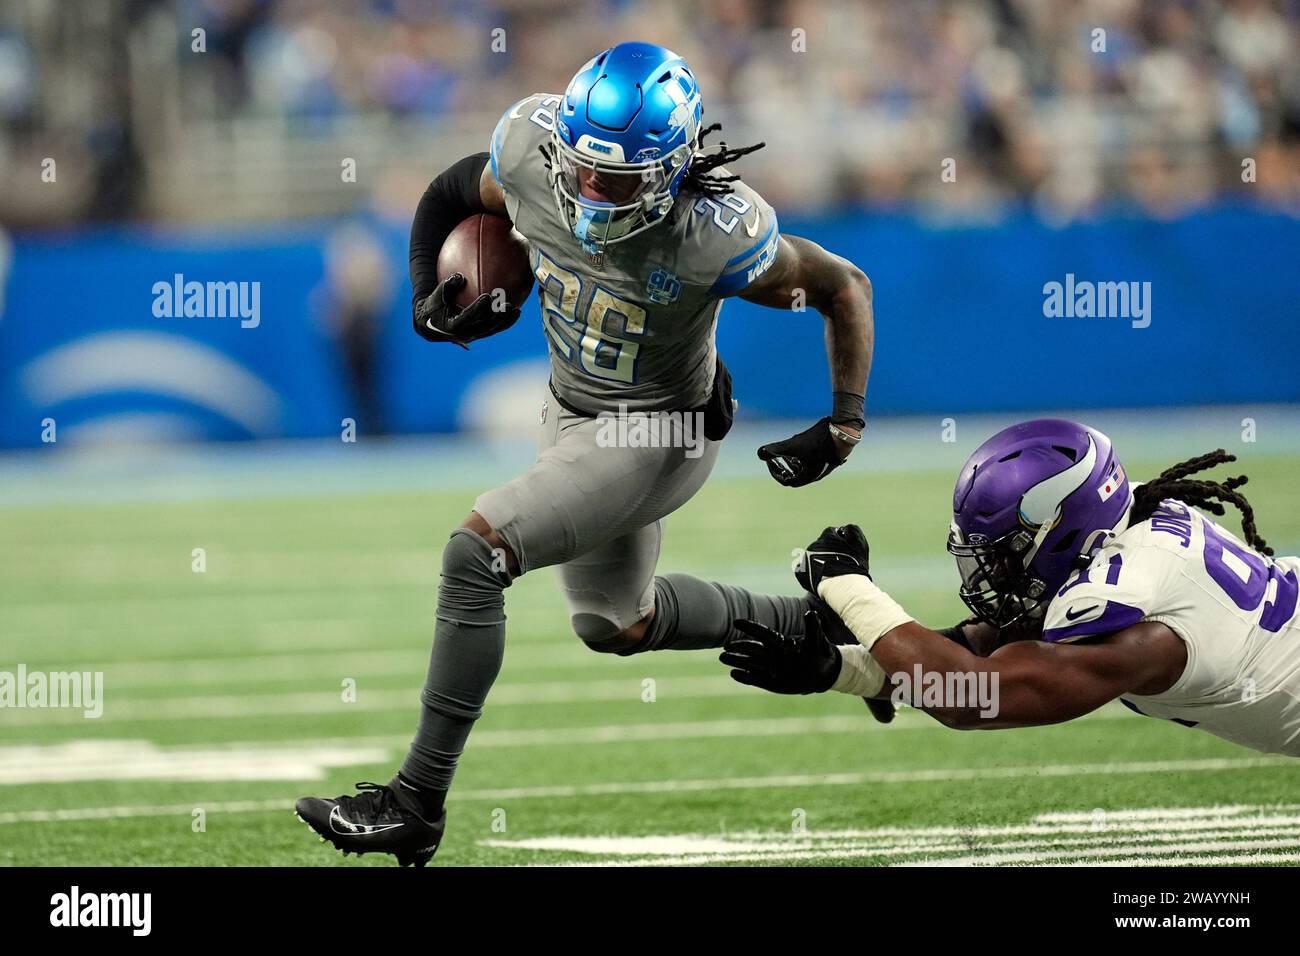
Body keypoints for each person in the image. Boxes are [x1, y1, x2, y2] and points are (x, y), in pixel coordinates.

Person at [296, 42, 876, 865]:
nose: (592, 189)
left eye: (619, 177)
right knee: (615, 624)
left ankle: (415, 800)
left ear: (673, 170)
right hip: (569, 410)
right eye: (583, 167)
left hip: (659, 428)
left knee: (476, 552)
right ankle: (817, 616)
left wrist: (844, 421)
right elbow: (453, 187)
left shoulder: (716, 235)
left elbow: (842, 285)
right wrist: (429, 291)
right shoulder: (535, 157)